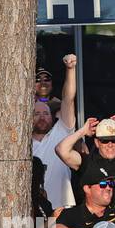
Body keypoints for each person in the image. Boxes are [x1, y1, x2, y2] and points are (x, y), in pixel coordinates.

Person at [31, 54, 78, 211]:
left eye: (45, 114)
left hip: (63, 212)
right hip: (33, 213)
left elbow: (68, 99)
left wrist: (70, 69)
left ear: (52, 118)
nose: (42, 118)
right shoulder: (20, 144)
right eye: (36, 114)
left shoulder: (61, 134)